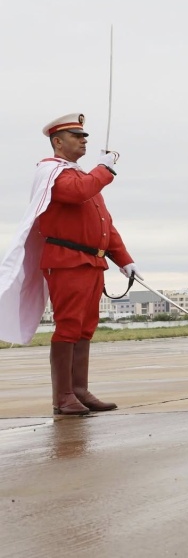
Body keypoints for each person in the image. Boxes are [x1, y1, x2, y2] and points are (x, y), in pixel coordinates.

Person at [0, 113, 136, 416]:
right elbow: (78, 193)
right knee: (70, 325)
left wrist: (125, 261)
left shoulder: (80, 176)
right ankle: (63, 396)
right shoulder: (53, 174)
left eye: (84, 136)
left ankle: (79, 390)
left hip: (91, 261)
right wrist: (105, 169)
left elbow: (105, 225)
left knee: (85, 327)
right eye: (77, 136)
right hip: (67, 260)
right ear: (57, 142)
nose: (83, 140)